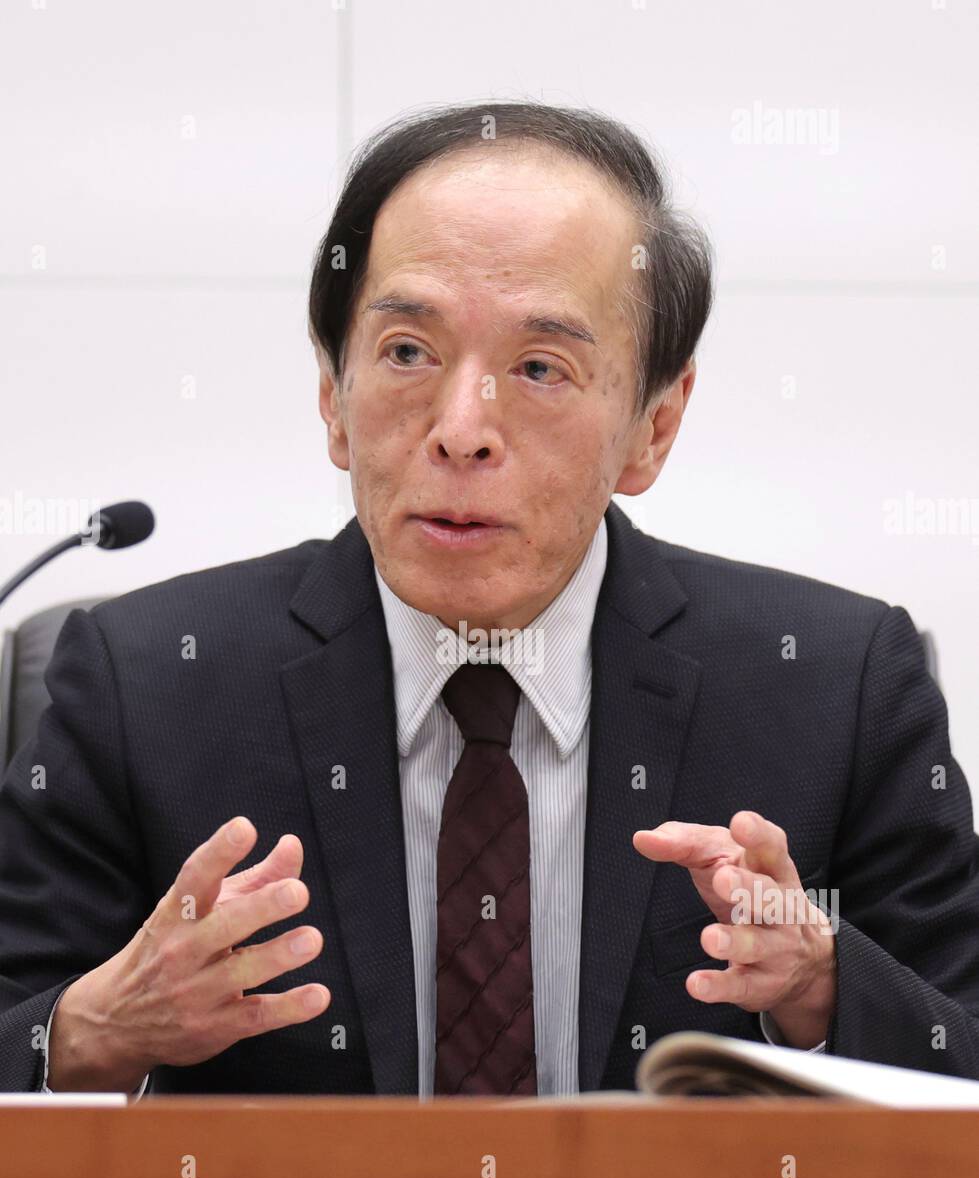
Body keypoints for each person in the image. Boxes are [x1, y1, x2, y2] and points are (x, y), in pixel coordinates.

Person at [1, 101, 977, 1098]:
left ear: (653, 426)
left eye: (540, 366)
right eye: (407, 352)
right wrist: (93, 1029)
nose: (462, 428)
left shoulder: (836, 692)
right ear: (334, 397)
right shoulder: (143, 686)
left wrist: (826, 989)